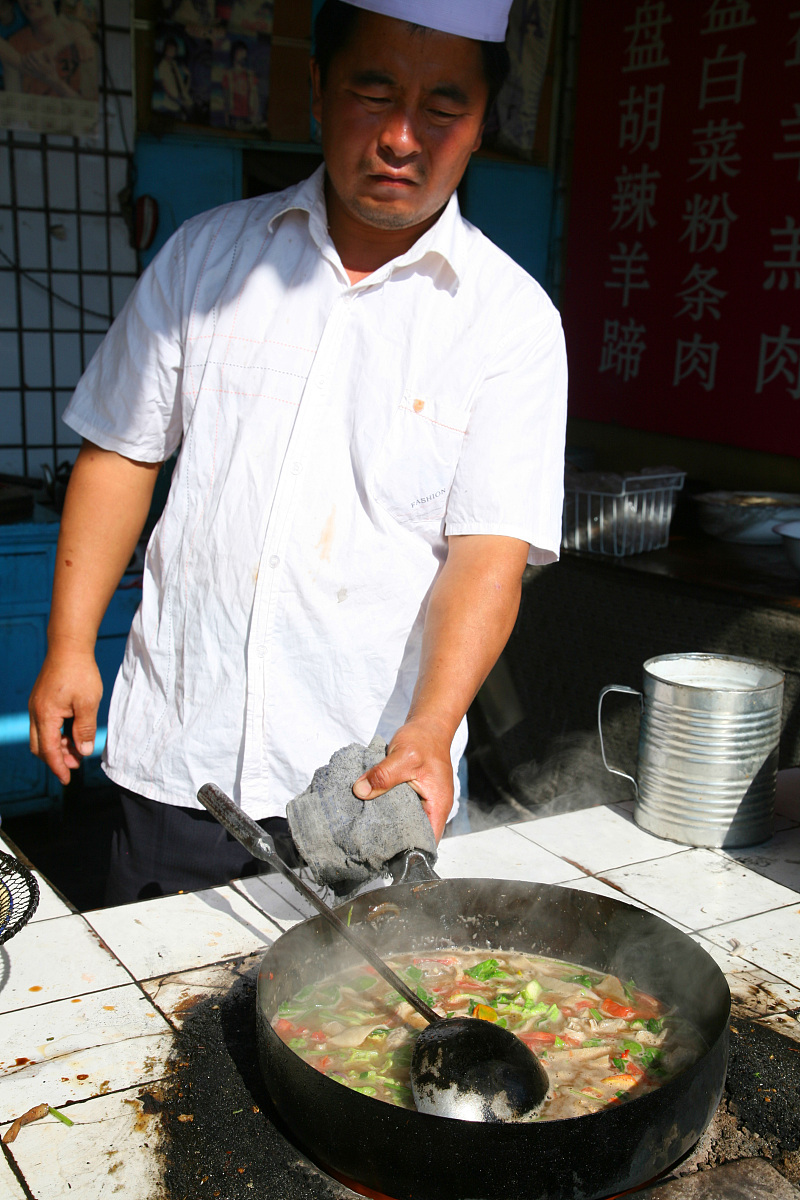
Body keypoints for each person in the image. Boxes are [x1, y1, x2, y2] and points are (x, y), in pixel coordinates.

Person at [28, 0, 568, 903]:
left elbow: (488, 554)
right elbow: (122, 453)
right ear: (318, 91)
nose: (402, 135)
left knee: (352, 1039)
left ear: (481, 125)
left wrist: (431, 730)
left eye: (443, 106)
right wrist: (69, 644)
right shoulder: (206, 260)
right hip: (179, 763)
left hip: (370, 789)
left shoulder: (510, 323)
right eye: (373, 90)